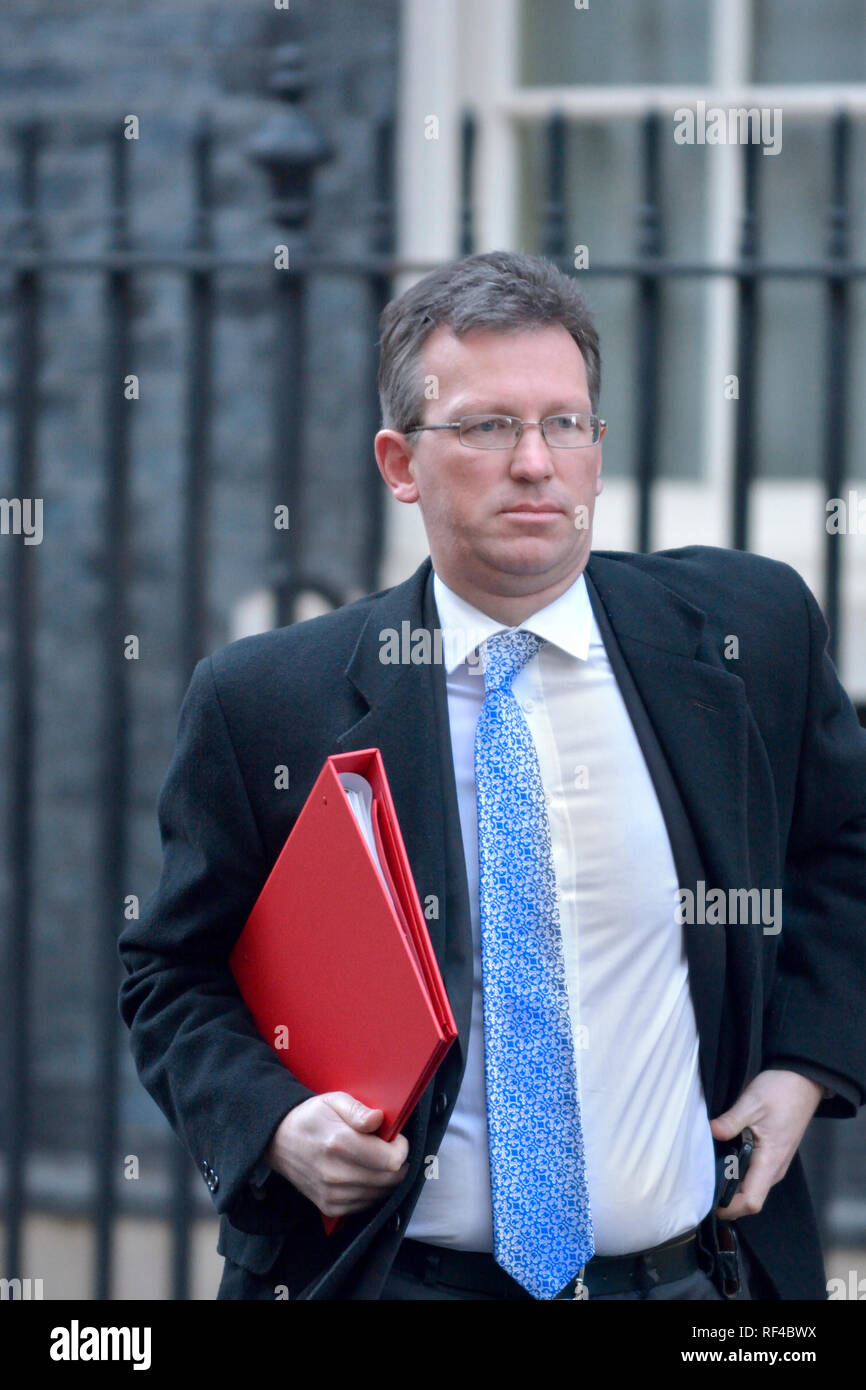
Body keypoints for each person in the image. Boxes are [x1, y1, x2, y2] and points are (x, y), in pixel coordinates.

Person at [118, 250, 866, 1301]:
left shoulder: (747, 635)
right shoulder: (266, 700)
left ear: (596, 452)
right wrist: (278, 1125)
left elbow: (843, 853)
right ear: (398, 462)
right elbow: (171, 973)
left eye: (564, 423)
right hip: (392, 1280)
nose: (533, 462)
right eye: (484, 426)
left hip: (691, 1285)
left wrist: (808, 1066)